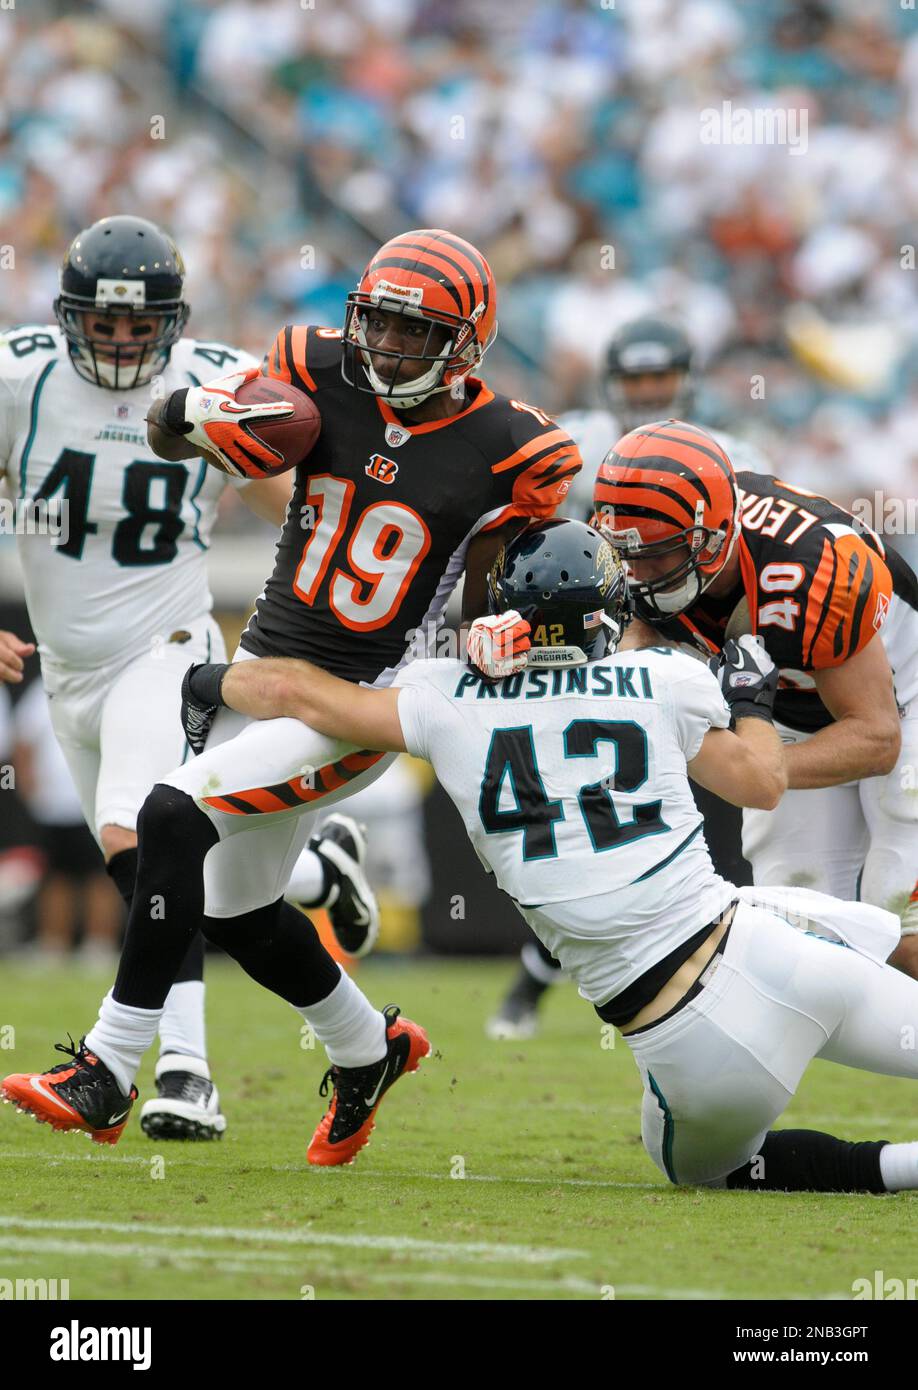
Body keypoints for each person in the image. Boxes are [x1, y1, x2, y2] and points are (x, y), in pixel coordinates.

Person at [2, 228, 580, 1165]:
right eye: (378, 325)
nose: (386, 349)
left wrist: (503, 627)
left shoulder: (515, 447)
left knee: (169, 817)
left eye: (413, 333)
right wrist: (188, 416)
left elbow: (501, 586)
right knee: (232, 913)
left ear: (465, 343)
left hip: (356, 697)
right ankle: (371, 1049)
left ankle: (110, 1069)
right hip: (265, 671)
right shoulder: (313, 366)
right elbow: (178, 441)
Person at [162, 519, 918, 1193]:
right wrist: (752, 704)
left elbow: (305, 694)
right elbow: (762, 781)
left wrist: (211, 681)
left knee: (694, 1170)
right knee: (793, 914)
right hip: (781, 954)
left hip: (695, 1045)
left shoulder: (439, 698)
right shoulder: (666, 679)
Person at [491, 317, 772, 1037]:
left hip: (688, 632)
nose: (648, 392)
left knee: (674, 789)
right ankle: (548, 967)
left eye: (660, 379)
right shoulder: (575, 442)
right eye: (636, 380)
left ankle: (691, 946)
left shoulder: (727, 453)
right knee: (584, 800)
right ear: (614, 384)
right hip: (596, 635)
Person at [590, 419, 918, 979]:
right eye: (626, 555)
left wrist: (747, 766)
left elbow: (878, 738)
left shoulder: (812, 568)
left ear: (712, 535)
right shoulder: (639, 554)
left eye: (658, 557)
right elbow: (638, 638)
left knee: (900, 927)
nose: (637, 576)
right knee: (797, 936)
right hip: (789, 708)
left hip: (902, 704)